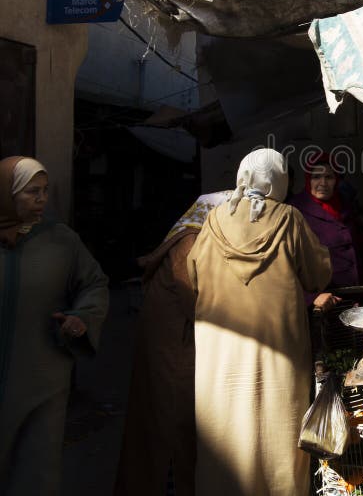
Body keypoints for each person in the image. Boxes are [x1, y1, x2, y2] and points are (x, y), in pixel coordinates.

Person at [187, 148, 331, 496]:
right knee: (276, 426)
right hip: (277, 347)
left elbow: (192, 273)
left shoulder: (214, 219)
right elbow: (319, 274)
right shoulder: (290, 218)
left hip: (221, 349)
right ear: (279, 179)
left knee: (225, 426)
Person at [0, 156, 109, 496]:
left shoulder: (62, 241)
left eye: (45, 191)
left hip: (43, 377)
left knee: (36, 470)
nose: (42, 199)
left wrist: (82, 317)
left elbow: (94, 284)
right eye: (32, 192)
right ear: (8, 193)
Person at [114, 190, 230, 496]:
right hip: (173, 344)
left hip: (172, 340)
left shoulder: (191, 236)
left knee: (164, 415)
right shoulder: (190, 242)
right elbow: (193, 296)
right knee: (172, 417)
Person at [291, 151, 363, 312]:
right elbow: (286, 263)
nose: (323, 182)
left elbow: (361, 246)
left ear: (337, 180)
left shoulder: (345, 206)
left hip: (354, 297)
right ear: (308, 180)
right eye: (316, 177)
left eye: (329, 177)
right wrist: (311, 297)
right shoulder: (295, 212)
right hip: (323, 303)